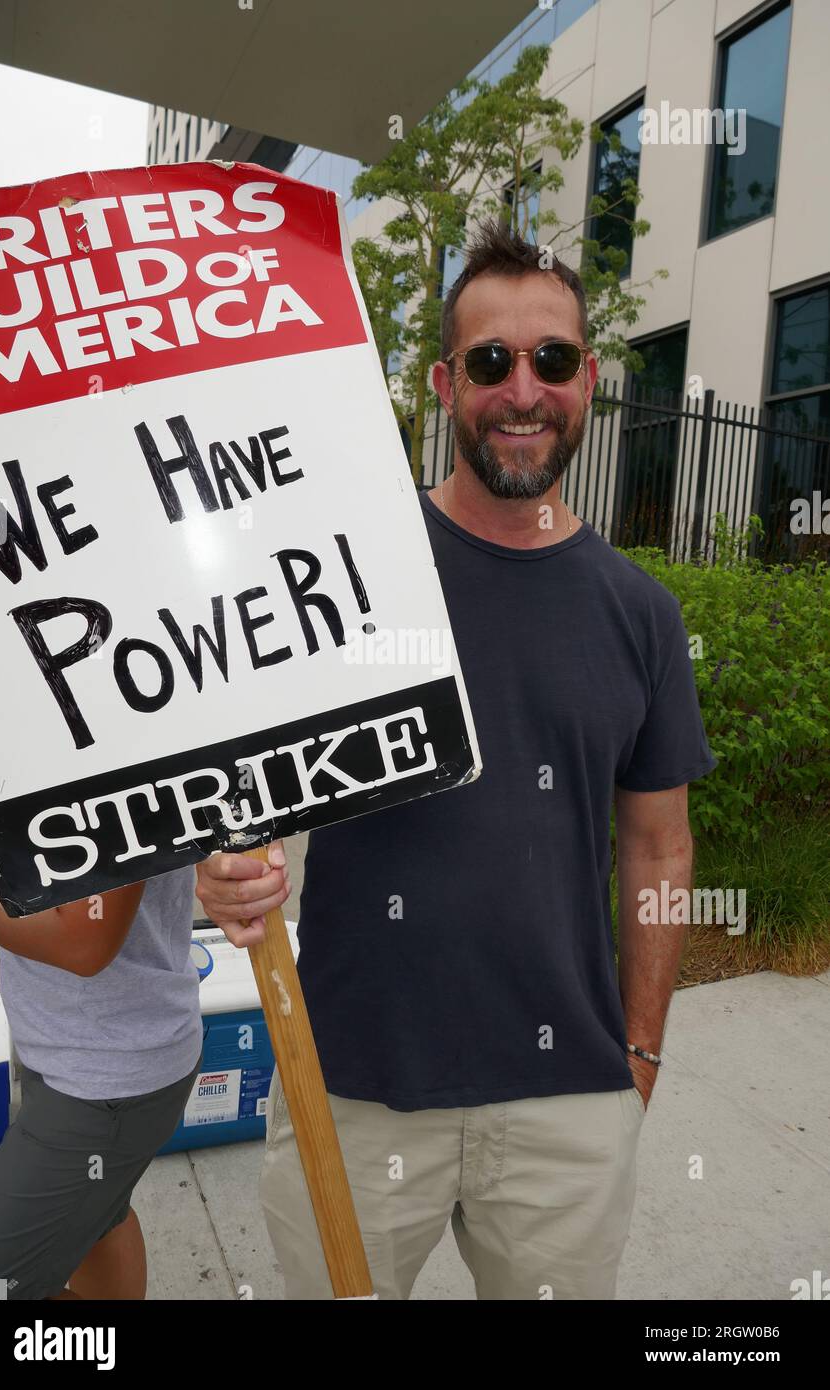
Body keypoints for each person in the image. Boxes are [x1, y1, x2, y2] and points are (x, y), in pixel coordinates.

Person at [195, 218, 717, 1301]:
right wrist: (224, 865)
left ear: (587, 383)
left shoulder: (642, 614)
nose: (521, 389)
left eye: (551, 360)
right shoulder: (343, 575)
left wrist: (639, 1054)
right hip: (353, 1090)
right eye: (490, 362)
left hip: (567, 1104)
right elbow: (241, 780)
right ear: (443, 382)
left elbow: (659, 850)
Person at [0, 825, 203, 1300]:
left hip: (104, 1074)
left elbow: (83, 941)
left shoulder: (103, 756)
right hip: (71, 1045)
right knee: (99, 1218)